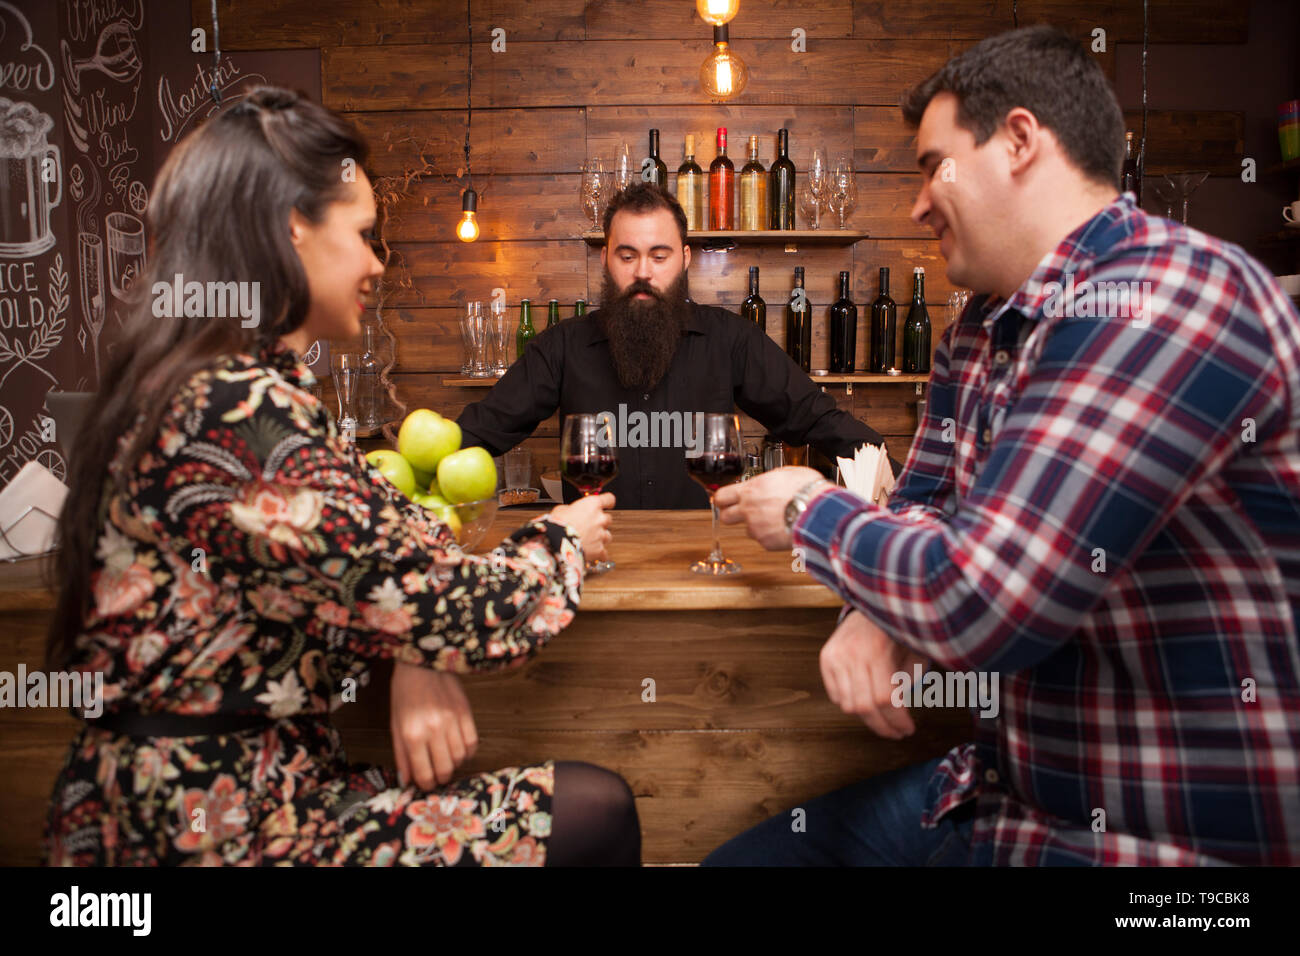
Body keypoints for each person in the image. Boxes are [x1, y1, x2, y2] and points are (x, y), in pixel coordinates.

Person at [706, 26, 1300, 866]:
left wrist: (809, 508)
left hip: (1166, 843)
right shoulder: (981, 326)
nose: (915, 204)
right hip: (1006, 790)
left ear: (1020, 140)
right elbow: (922, 505)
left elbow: (982, 597)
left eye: (930, 165)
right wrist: (875, 606)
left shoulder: (1160, 296)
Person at [41, 87, 639, 867]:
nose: (378, 262)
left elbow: (388, 537)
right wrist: (557, 536)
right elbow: (467, 613)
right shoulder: (238, 411)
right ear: (293, 230)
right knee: (595, 811)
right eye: (363, 235)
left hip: (231, 795)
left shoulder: (220, 381)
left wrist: (410, 644)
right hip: (203, 830)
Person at [457, 183, 894, 509]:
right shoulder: (562, 347)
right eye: (627, 256)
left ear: (685, 259)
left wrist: (889, 470)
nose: (642, 272)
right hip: (594, 561)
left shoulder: (730, 339)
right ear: (606, 259)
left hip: (704, 559)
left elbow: (813, 416)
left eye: (659, 255)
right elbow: (486, 428)